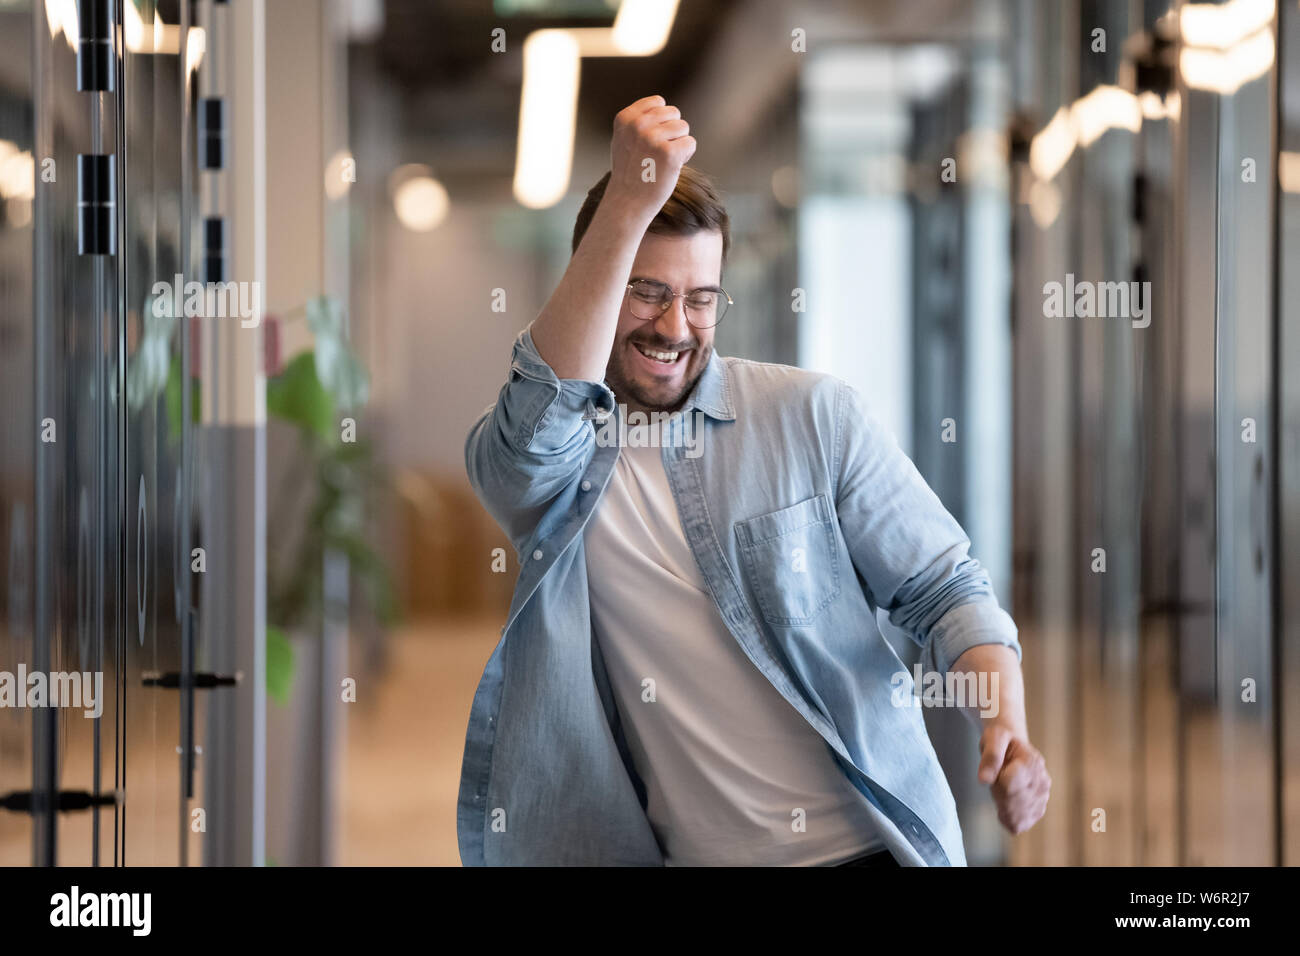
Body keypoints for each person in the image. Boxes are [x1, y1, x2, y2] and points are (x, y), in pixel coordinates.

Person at [460, 95, 1050, 866]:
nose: (674, 327)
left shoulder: (811, 415)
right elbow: (537, 424)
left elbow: (944, 588)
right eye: (646, 291)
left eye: (699, 299)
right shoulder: (553, 468)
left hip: (868, 848)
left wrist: (1003, 720)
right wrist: (628, 202)